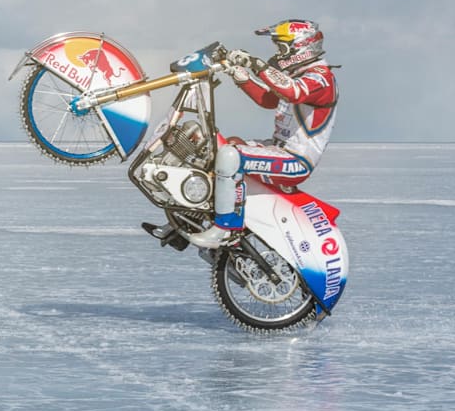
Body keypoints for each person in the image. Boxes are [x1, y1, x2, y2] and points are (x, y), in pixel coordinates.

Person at [145, 19, 338, 249]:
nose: (278, 53)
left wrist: (256, 64)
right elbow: (268, 100)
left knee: (230, 157)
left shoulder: (321, 78)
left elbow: (293, 92)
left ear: (299, 47)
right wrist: (239, 74)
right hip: (278, 148)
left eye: (281, 47)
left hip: (297, 161)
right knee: (221, 147)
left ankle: (225, 228)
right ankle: (188, 223)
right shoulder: (300, 74)